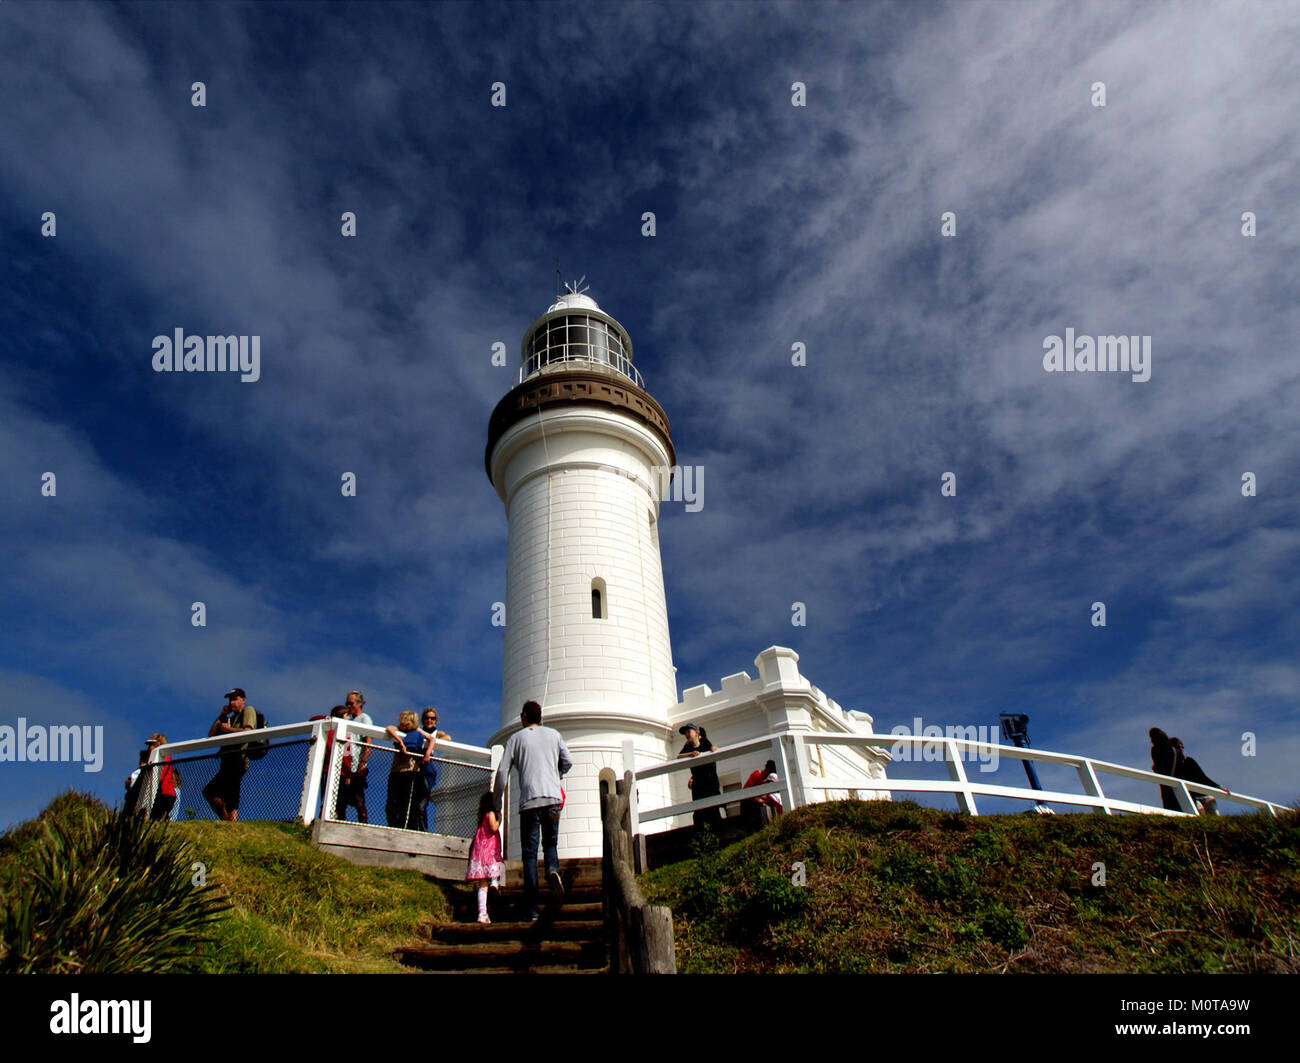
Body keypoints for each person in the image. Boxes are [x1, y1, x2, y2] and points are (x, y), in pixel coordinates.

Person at [494, 700, 572, 920]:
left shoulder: (515, 739)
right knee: (550, 843)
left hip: (530, 801)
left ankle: (532, 908)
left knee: (529, 854)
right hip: (553, 798)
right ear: (540, 717)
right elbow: (568, 761)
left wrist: (497, 800)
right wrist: (557, 774)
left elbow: (502, 772)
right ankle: (552, 870)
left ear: (524, 717)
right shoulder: (554, 735)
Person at [202, 687, 258, 822]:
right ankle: (226, 819)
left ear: (242, 700)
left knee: (232, 795)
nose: (231, 702)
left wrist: (228, 730)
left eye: (234, 699)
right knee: (210, 792)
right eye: (230, 700)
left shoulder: (248, 710)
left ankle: (231, 823)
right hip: (226, 761)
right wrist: (221, 715)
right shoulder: (230, 718)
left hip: (238, 759)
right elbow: (211, 735)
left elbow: (247, 731)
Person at [466, 791, 505, 924]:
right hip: (489, 850)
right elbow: (494, 827)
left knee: (482, 884)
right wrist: (499, 818)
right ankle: (495, 883)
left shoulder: (481, 818)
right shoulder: (491, 814)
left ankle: (482, 913)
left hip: (479, 854)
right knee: (498, 866)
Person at [385, 710, 428, 830]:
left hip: (410, 772)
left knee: (406, 805)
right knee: (391, 805)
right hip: (396, 771)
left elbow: (431, 739)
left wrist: (427, 753)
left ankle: (403, 828)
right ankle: (392, 826)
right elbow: (389, 728)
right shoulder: (398, 730)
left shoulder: (417, 732)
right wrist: (400, 742)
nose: (403, 724)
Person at [677, 723, 722, 830]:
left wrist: (714, 748)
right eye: (685, 733)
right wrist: (690, 754)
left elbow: (712, 748)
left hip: (710, 780)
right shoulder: (687, 746)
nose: (687, 734)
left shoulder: (704, 742)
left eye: (689, 732)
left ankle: (717, 830)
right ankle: (701, 833)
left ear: (696, 733)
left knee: (714, 808)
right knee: (699, 811)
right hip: (698, 783)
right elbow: (678, 756)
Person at [1171, 737, 1228, 815]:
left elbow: (1202, 777)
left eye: (1182, 747)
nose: (1181, 749)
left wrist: (1218, 786)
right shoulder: (1172, 767)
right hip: (1192, 797)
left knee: (1214, 814)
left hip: (1204, 794)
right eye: (1178, 747)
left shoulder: (1189, 761)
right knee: (1199, 812)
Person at [340, 690, 373, 823]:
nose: (348, 706)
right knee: (342, 798)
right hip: (347, 766)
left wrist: (363, 762)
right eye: (346, 703)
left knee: (358, 799)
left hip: (357, 767)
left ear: (359, 703)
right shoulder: (349, 721)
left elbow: (368, 741)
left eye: (351, 703)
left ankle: (363, 825)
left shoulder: (364, 718)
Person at [417, 707, 451, 833]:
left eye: (432, 718)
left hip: (427, 766)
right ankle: (416, 828)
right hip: (415, 766)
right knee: (414, 801)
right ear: (422, 719)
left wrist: (432, 742)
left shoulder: (437, 733)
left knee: (422, 803)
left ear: (435, 720)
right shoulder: (418, 731)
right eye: (427, 718)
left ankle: (423, 830)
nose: (429, 720)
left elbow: (448, 738)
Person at [146, 733, 181, 822]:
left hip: (164, 794)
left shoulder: (164, 756)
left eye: (152, 745)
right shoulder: (154, 758)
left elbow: (159, 775)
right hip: (162, 793)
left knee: (156, 818)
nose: (150, 748)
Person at [1148, 727, 1183, 811]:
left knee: (1168, 803)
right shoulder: (1174, 749)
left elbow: (1157, 766)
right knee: (1180, 802)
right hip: (1177, 778)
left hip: (1164, 781)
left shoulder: (1155, 749)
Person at [742, 758, 782, 828]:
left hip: (759, 803)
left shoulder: (768, 780)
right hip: (748, 803)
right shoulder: (757, 774)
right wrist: (762, 800)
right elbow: (746, 792)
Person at [123, 748, 149, 816]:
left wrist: (129, 783)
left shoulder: (139, 771)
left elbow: (130, 783)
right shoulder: (147, 772)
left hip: (133, 797)